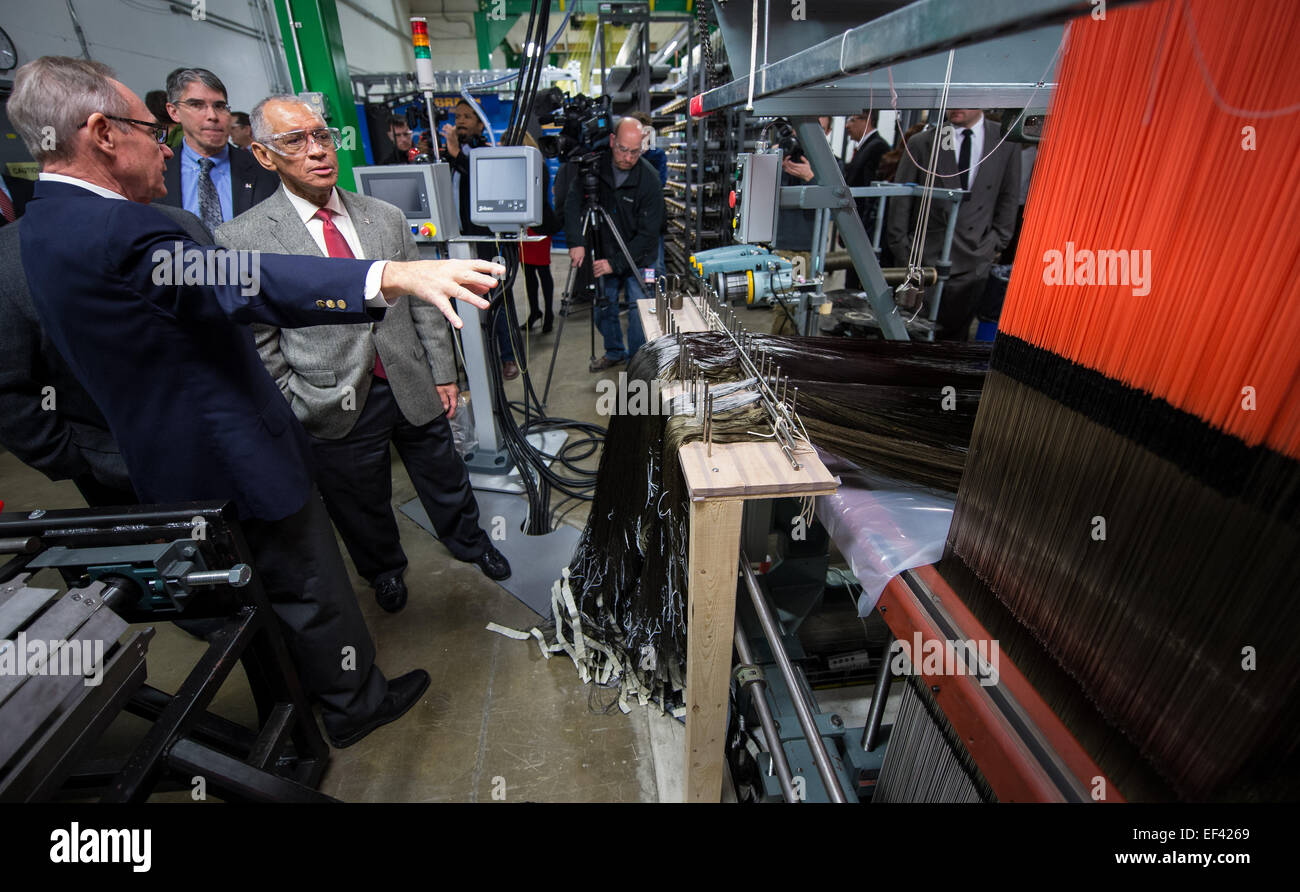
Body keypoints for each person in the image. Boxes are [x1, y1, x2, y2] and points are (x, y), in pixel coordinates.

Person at [8, 56, 502, 748]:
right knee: (310, 589)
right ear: (100, 132)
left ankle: (296, 717)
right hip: (239, 457)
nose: (167, 144)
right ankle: (355, 705)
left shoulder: (33, 233)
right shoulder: (121, 232)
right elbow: (239, 281)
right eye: (153, 128)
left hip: (170, 469)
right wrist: (389, 274)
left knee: (251, 607)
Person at [217, 94, 511, 613]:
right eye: (295, 141)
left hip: (408, 377)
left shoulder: (385, 217)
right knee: (359, 499)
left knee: (443, 472)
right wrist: (296, 399)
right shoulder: (243, 238)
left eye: (322, 136)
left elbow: (426, 305)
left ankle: (470, 542)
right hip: (331, 395)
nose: (317, 151)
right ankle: (384, 572)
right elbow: (260, 338)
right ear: (264, 156)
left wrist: (443, 372)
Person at [886, 108, 1020, 340]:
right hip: (925, 262)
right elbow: (902, 199)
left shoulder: (1004, 141)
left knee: (955, 340)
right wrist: (903, 248)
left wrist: (996, 242)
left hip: (975, 260)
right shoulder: (924, 142)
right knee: (913, 336)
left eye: (965, 98)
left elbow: (1009, 195)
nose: (955, 105)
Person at [564, 117, 665, 372]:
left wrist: (616, 264)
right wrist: (576, 241)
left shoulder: (650, 180)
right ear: (612, 141)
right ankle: (614, 352)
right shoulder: (594, 169)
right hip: (606, 248)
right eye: (622, 149)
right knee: (602, 305)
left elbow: (648, 235)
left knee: (639, 309)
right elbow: (573, 201)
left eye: (634, 151)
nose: (628, 157)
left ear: (642, 147)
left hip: (640, 254)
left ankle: (636, 362)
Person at [441, 98, 520, 380]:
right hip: (457, 239)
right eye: (457, 116)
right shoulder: (449, 155)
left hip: (487, 240)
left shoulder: (485, 153)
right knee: (464, 298)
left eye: (466, 116)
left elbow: (480, 181)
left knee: (498, 296)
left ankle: (510, 356)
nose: (460, 120)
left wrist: (455, 153)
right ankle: (475, 356)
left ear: (478, 123)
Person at [155, 67, 279, 229]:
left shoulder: (265, 169)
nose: (212, 116)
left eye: (220, 106)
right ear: (174, 112)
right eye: (197, 105)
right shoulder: (156, 175)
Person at [843, 110, 890, 290]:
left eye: (852, 120)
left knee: (858, 279)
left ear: (867, 120)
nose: (847, 125)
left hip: (865, 231)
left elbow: (871, 198)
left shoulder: (878, 149)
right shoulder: (865, 147)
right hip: (858, 226)